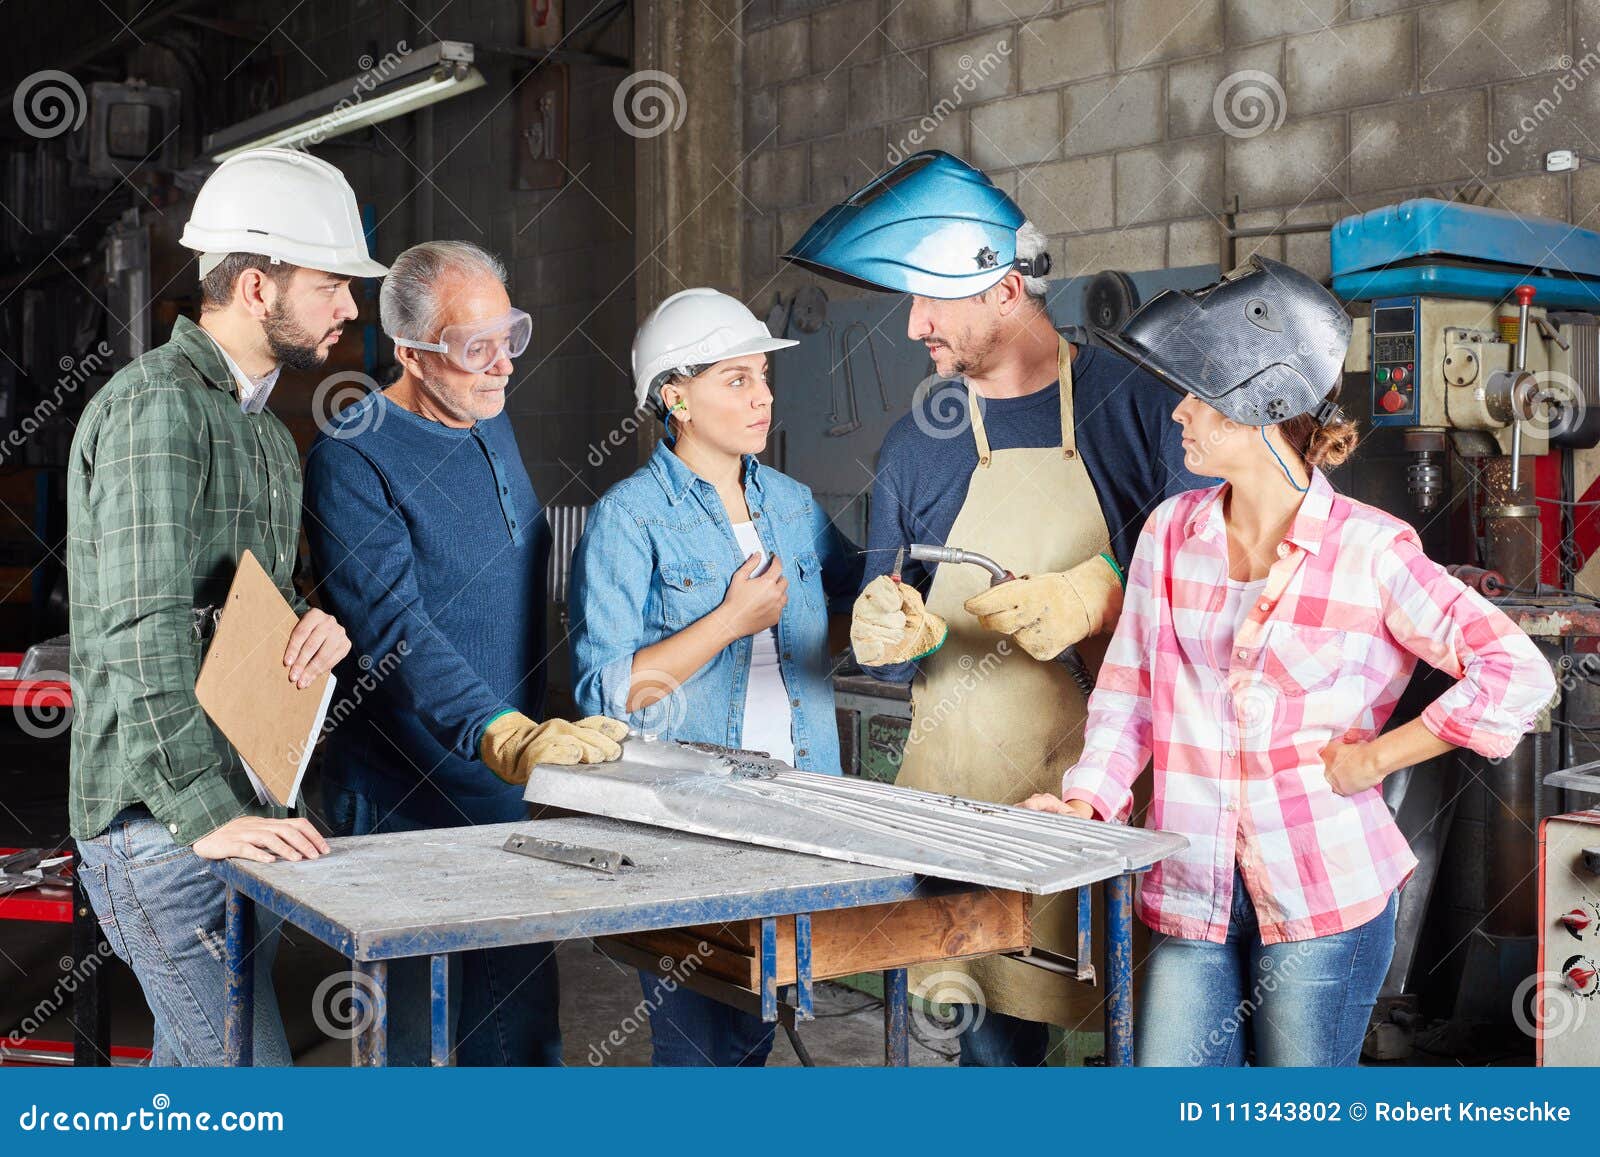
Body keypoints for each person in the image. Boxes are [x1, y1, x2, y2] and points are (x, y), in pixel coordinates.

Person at [1022, 256, 1557, 1066]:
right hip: (1187, 886)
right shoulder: (1171, 533)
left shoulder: (1370, 550)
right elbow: (1128, 696)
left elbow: (1517, 673)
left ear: (1261, 406)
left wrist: (1378, 755)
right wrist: (1089, 806)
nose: (1179, 414)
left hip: (1323, 897)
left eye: (1200, 395)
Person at [782, 150, 1204, 1065]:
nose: (914, 327)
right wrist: (881, 632)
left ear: (1006, 288)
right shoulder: (915, 445)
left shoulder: (1140, 406)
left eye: (931, 300)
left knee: (1140, 1051)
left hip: (1108, 812)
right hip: (966, 816)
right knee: (992, 1065)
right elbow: (886, 639)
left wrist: (1103, 592)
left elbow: (1219, 586)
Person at [68, 148, 382, 1065]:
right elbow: (144, 628)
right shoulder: (157, 410)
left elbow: (248, 614)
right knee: (252, 1096)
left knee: (192, 1088)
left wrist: (309, 629)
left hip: (244, 811)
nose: (351, 308)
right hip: (163, 829)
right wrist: (209, 814)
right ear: (256, 287)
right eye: (331, 284)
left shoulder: (267, 439)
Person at [302, 241, 627, 1065]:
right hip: (401, 798)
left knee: (520, 1034)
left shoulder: (487, 416)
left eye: (510, 335)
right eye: (474, 347)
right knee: (416, 1047)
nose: (503, 365)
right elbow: (392, 629)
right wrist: (501, 728)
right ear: (411, 354)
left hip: (500, 789)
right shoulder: (354, 455)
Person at [569, 287, 862, 1065]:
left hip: (798, 810)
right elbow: (607, 692)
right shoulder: (628, 517)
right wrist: (729, 620)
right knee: (698, 1053)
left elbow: (849, 613)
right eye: (737, 379)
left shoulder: (794, 506)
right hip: (689, 823)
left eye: (763, 376)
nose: (763, 396)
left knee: (753, 1034)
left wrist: (894, 609)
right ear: (675, 397)